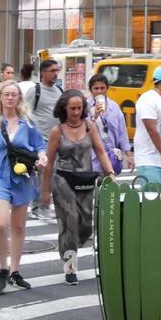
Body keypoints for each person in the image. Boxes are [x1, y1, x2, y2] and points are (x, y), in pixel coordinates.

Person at [0, 81, 46, 292]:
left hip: (22, 177)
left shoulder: (28, 122)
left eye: (14, 94)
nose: (10, 98)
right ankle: (3, 268)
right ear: (0, 98)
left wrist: (42, 157)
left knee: (19, 227)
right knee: (1, 224)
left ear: (19, 98)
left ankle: (15, 271)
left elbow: (39, 145)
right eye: (6, 94)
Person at [40, 90, 114, 285]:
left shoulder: (90, 126)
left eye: (79, 108)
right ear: (64, 108)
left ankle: (68, 243)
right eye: (72, 108)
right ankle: (70, 266)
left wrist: (110, 172)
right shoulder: (58, 131)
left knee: (86, 226)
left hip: (85, 178)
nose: (75, 112)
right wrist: (45, 191)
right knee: (70, 220)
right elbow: (48, 163)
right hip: (63, 179)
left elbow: (101, 151)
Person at [26, 59, 63, 219]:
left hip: (56, 140)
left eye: (57, 71)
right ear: (43, 73)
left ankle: (45, 204)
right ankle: (37, 207)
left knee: (52, 173)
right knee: (41, 173)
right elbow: (24, 114)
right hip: (40, 140)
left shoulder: (59, 91)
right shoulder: (35, 91)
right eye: (52, 71)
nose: (55, 74)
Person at [88, 74, 131, 174]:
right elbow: (82, 130)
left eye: (102, 88)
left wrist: (129, 155)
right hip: (92, 156)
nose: (99, 91)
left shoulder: (114, 107)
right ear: (91, 90)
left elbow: (122, 132)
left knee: (109, 186)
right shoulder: (85, 107)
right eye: (96, 88)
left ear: (107, 89)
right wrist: (95, 116)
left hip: (111, 154)